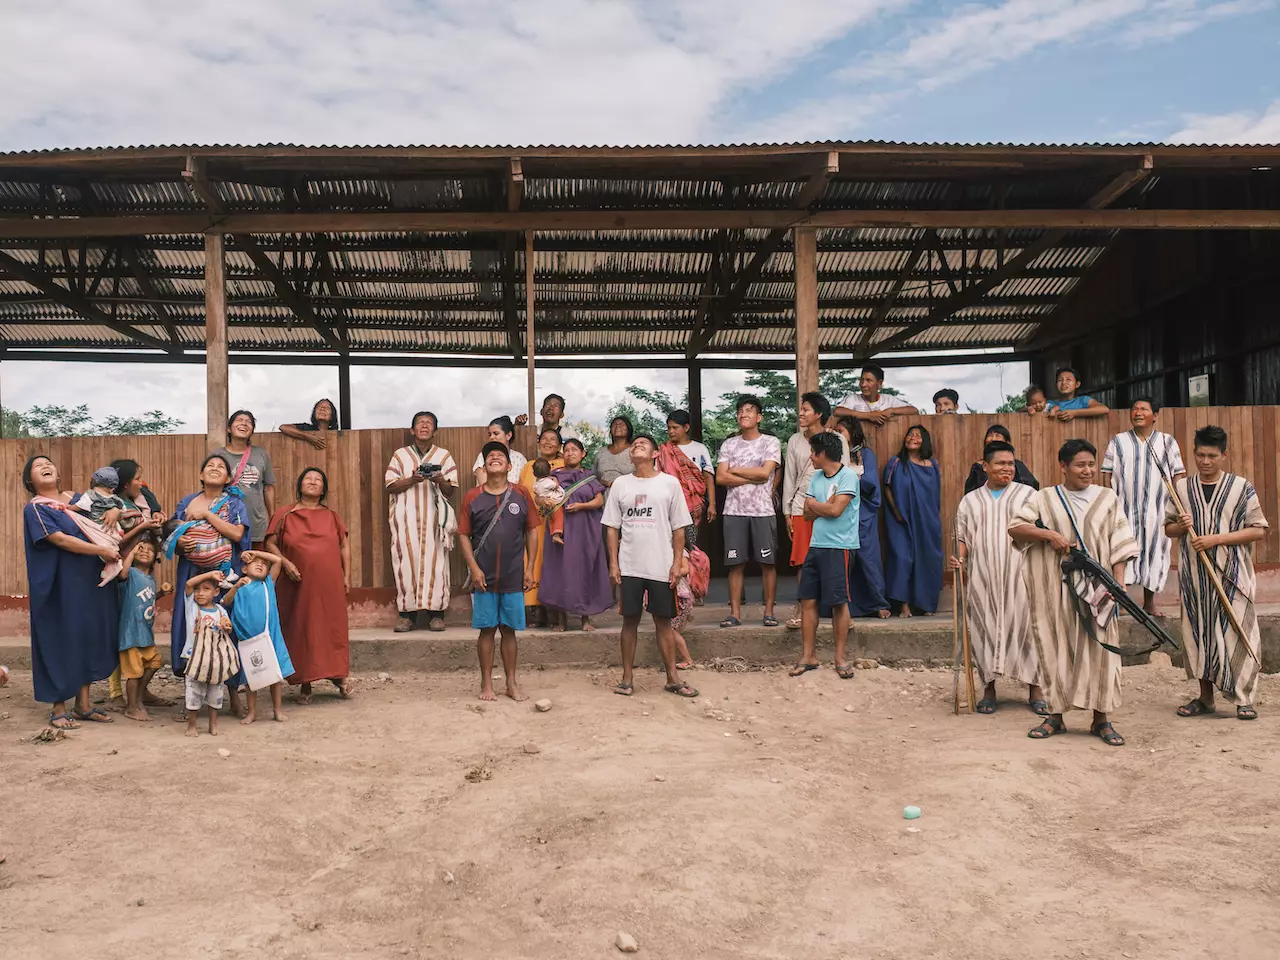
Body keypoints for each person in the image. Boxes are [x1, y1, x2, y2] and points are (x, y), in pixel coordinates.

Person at [1010, 439, 1139, 747]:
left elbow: (1120, 543)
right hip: (1054, 590)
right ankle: (1055, 715)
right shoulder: (1044, 498)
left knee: (1102, 650)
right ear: (1063, 466)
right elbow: (1016, 527)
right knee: (1055, 646)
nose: (1088, 470)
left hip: (1099, 590)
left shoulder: (1107, 497)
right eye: (1080, 465)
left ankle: (1101, 718)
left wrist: (1118, 585)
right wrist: (1049, 535)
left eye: (1091, 464)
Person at [1164, 425, 1267, 721]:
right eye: (1200, 455)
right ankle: (1205, 697)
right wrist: (1182, 527)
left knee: (1238, 631)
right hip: (1195, 578)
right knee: (1199, 634)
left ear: (1224, 455)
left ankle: (1244, 698)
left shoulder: (1241, 487)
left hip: (1233, 576)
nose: (1205, 461)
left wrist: (1216, 539)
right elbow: (1169, 529)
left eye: (1211, 456)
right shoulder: (1181, 488)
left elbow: (1258, 530)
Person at [22, 455, 120, 728]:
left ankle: (84, 705)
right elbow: (58, 539)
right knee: (61, 638)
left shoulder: (80, 498)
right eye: (37, 466)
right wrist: (101, 550)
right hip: (58, 587)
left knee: (86, 637)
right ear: (30, 480)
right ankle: (58, 706)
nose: (45, 466)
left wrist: (115, 511)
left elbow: (108, 512)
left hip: (89, 582)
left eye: (49, 462)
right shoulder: (36, 510)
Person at [951, 441, 1046, 715]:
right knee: (984, 628)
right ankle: (989, 688)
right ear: (985, 466)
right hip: (982, 574)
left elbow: (1039, 529)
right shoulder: (969, 500)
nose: (1007, 468)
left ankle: (1035, 688)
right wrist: (959, 558)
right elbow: (963, 537)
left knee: (1027, 628)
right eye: (1001, 463)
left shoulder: (1028, 495)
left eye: (1010, 464)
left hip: (1021, 573)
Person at [602, 435, 698, 699]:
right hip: (630, 565)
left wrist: (677, 563)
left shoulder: (669, 483)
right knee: (629, 622)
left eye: (643, 443)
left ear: (656, 453)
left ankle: (672, 678)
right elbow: (611, 527)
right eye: (634, 444)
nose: (636, 445)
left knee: (663, 622)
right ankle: (626, 679)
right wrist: (613, 563)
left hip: (661, 565)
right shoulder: (621, 484)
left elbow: (679, 528)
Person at [168, 453, 252, 718]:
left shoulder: (235, 503)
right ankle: (191, 699)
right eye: (209, 466)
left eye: (221, 467)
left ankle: (233, 694)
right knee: (192, 629)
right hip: (192, 573)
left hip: (225, 575)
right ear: (201, 475)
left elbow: (238, 534)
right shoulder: (185, 502)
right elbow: (172, 533)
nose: (215, 469)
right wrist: (179, 543)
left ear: (227, 478)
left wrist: (205, 513)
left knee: (227, 630)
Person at [458, 441, 539, 701]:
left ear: (509, 465)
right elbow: (463, 535)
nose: (495, 457)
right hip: (484, 577)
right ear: (484, 466)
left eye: (500, 455)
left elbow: (532, 531)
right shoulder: (473, 496)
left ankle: (512, 683)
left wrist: (529, 568)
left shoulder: (522, 494)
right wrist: (474, 568)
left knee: (509, 630)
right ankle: (486, 685)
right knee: (486, 630)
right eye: (490, 455)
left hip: (514, 574)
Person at [265, 467, 353, 704]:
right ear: (299, 485)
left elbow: (344, 545)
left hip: (329, 583)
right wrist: (285, 563)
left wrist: (346, 575)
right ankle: (305, 682)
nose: (313, 482)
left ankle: (338, 676)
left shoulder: (332, 515)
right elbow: (270, 544)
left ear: (323, 488)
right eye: (308, 479)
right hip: (298, 583)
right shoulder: (285, 514)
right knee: (302, 628)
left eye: (318, 480)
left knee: (331, 629)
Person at [1102, 398, 1186, 614]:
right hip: (1124, 508)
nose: (1138, 412)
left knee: (1155, 552)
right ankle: (1121, 600)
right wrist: (1109, 504)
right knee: (1121, 551)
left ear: (1155, 415)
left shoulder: (1167, 442)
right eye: (1134, 409)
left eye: (1144, 409)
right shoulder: (1118, 441)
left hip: (1158, 510)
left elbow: (1178, 474)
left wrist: (1180, 503)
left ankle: (1149, 602)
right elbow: (1107, 474)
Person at [788, 432, 860, 680]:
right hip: (816, 545)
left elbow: (836, 510)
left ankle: (840, 658)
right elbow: (808, 514)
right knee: (808, 600)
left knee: (839, 603)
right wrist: (824, 506)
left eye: (813, 452)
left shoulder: (849, 476)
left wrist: (822, 506)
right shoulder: (817, 478)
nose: (810, 457)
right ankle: (809, 656)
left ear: (823, 454)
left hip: (840, 548)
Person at [385, 411, 458, 633]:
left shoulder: (443, 456)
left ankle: (437, 615)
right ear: (412, 430)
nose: (424, 426)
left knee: (437, 565)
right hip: (405, 520)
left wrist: (439, 479)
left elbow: (451, 490)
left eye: (429, 423)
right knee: (405, 562)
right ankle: (406, 615)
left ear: (435, 431)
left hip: (435, 521)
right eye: (420, 423)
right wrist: (412, 479)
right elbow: (390, 485)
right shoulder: (400, 455)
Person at [717, 395, 782, 628]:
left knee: (768, 563)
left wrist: (735, 470)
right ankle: (734, 613)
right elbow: (721, 477)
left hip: (762, 511)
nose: (743, 414)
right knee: (736, 564)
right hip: (734, 511)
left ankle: (769, 612)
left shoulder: (770, 442)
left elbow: (765, 474)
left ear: (759, 417)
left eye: (748, 411)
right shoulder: (729, 444)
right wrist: (750, 474)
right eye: (740, 411)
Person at [783, 392, 846, 629]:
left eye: (806, 409)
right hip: (801, 506)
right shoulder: (794, 441)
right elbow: (790, 477)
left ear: (819, 414)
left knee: (832, 559)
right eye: (801, 409)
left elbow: (845, 472)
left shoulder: (837, 439)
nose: (801, 413)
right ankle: (802, 608)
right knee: (802, 560)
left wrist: (837, 505)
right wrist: (787, 512)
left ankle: (837, 612)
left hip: (831, 507)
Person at [539, 438, 612, 631]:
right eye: (567, 450)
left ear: (583, 453)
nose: (570, 453)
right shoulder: (554, 475)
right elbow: (541, 495)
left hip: (586, 530)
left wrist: (581, 506)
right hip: (560, 530)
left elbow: (599, 501)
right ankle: (561, 619)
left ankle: (585, 618)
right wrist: (543, 502)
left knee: (585, 570)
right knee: (561, 571)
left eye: (574, 449)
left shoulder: (590, 476)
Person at [223, 549, 294, 725]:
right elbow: (226, 601)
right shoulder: (241, 587)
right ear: (245, 569)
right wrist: (237, 585)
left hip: (270, 636)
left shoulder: (268, 583)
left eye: (263, 564)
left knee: (275, 677)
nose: (261, 564)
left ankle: (277, 710)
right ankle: (252, 712)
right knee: (250, 679)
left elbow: (277, 560)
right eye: (255, 562)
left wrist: (253, 552)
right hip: (248, 640)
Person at [883, 425, 943, 617]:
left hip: (927, 520)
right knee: (902, 559)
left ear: (924, 441)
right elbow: (887, 488)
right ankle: (904, 605)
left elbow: (935, 494)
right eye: (910, 434)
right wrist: (896, 511)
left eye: (917, 435)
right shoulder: (896, 463)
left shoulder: (932, 465)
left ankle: (926, 604)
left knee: (928, 558)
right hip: (901, 520)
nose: (912, 437)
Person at [834, 416, 890, 619]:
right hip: (839, 513)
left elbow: (870, 481)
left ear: (852, 432)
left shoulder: (865, 454)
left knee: (868, 558)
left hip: (863, 513)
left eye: (842, 430)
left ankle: (878, 603)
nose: (838, 434)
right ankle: (843, 606)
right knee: (843, 561)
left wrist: (851, 478)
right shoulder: (835, 455)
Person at [115, 535, 171, 722]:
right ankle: (131, 707)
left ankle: (138, 696)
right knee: (134, 672)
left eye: (149, 549)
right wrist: (130, 552)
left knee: (155, 662)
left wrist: (162, 592)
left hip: (145, 633)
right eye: (141, 548)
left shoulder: (150, 579)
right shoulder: (129, 573)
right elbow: (121, 574)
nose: (145, 551)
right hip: (130, 632)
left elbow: (149, 599)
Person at [182, 570, 239, 737]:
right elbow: (188, 584)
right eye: (198, 590)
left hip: (216, 659)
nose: (200, 593)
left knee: (215, 692)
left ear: (216, 592)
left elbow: (227, 628)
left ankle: (213, 724)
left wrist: (227, 627)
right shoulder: (191, 607)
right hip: (195, 658)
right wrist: (210, 575)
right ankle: (192, 725)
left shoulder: (220, 610)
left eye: (206, 589)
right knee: (194, 692)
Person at [519, 429, 565, 625]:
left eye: (552, 439)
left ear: (559, 445)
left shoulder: (565, 465)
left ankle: (555, 609)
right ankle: (534, 610)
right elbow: (522, 491)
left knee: (554, 564)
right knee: (533, 562)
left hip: (558, 524)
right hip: (535, 523)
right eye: (544, 439)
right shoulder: (529, 466)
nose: (547, 442)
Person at [214, 409, 276, 548]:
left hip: (256, 523)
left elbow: (268, 487)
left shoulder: (260, 454)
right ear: (229, 428)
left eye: (249, 422)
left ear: (252, 430)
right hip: (225, 522)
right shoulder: (218, 455)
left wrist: (272, 516)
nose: (244, 423)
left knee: (255, 566)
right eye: (239, 420)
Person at [657, 409, 716, 548]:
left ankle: (690, 569)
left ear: (686, 427)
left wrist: (712, 504)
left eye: (675, 428)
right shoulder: (664, 451)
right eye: (669, 428)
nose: (671, 431)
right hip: (669, 503)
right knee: (668, 542)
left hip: (693, 502)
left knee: (690, 543)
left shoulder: (700, 448)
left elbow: (708, 477)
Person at [963, 425, 1039, 494]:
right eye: (990, 435)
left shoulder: (1017, 465)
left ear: (1007, 442)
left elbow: (1031, 485)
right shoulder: (977, 467)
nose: (993, 438)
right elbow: (969, 491)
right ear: (985, 466)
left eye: (998, 435)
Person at [833, 364, 916, 425]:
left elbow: (914, 410)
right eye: (861, 380)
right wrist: (869, 415)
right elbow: (838, 411)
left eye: (868, 380)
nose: (863, 384)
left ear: (879, 383)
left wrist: (891, 410)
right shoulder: (853, 398)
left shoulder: (888, 400)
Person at [471, 416, 527, 485]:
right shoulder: (484, 456)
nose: (491, 437)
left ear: (508, 435)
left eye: (496, 433)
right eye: (490, 434)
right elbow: (485, 486)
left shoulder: (520, 458)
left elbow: (524, 487)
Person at [1045, 368, 1109, 421]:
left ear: (1077, 384)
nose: (1064, 383)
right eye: (1060, 380)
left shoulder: (1083, 400)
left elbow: (1104, 409)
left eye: (1068, 379)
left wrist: (1075, 413)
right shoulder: (1049, 404)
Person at [530, 458, 567, 544]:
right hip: (554, 501)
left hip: (545, 503)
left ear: (534, 473)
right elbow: (556, 486)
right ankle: (556, 534)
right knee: (558, 517)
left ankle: (553, 533)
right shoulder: (548, 482)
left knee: (551, 519)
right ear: (549, 470)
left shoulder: (536, 484)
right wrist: (554, 479)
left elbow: (536, 492)